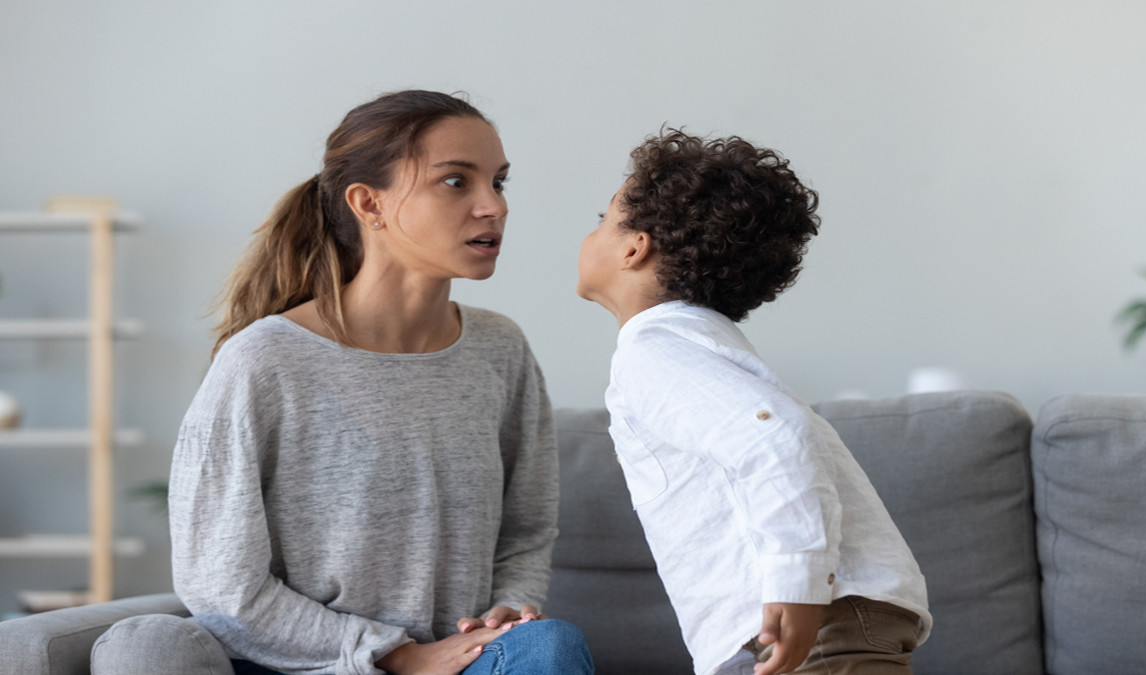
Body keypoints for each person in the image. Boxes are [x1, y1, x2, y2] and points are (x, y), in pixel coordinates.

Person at [98, 91, 594, 675]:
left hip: (459, 664)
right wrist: (395, 655)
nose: (493, 206)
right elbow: (219, 583)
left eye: (499, 183)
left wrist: (508, 608)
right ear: (368, 203)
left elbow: (528, 526)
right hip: (303, 666)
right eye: (457, 182)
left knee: (547, 646)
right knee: (147, 643)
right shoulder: (263, 361)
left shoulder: (499, 349)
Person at [576, 129, 931, 675]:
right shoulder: (702, 345)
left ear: (634, 245)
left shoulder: (653, 348)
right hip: (813, 621)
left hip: (808, 623)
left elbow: (775, 435)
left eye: (603, 217)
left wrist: (798, 584)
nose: (592, 229)